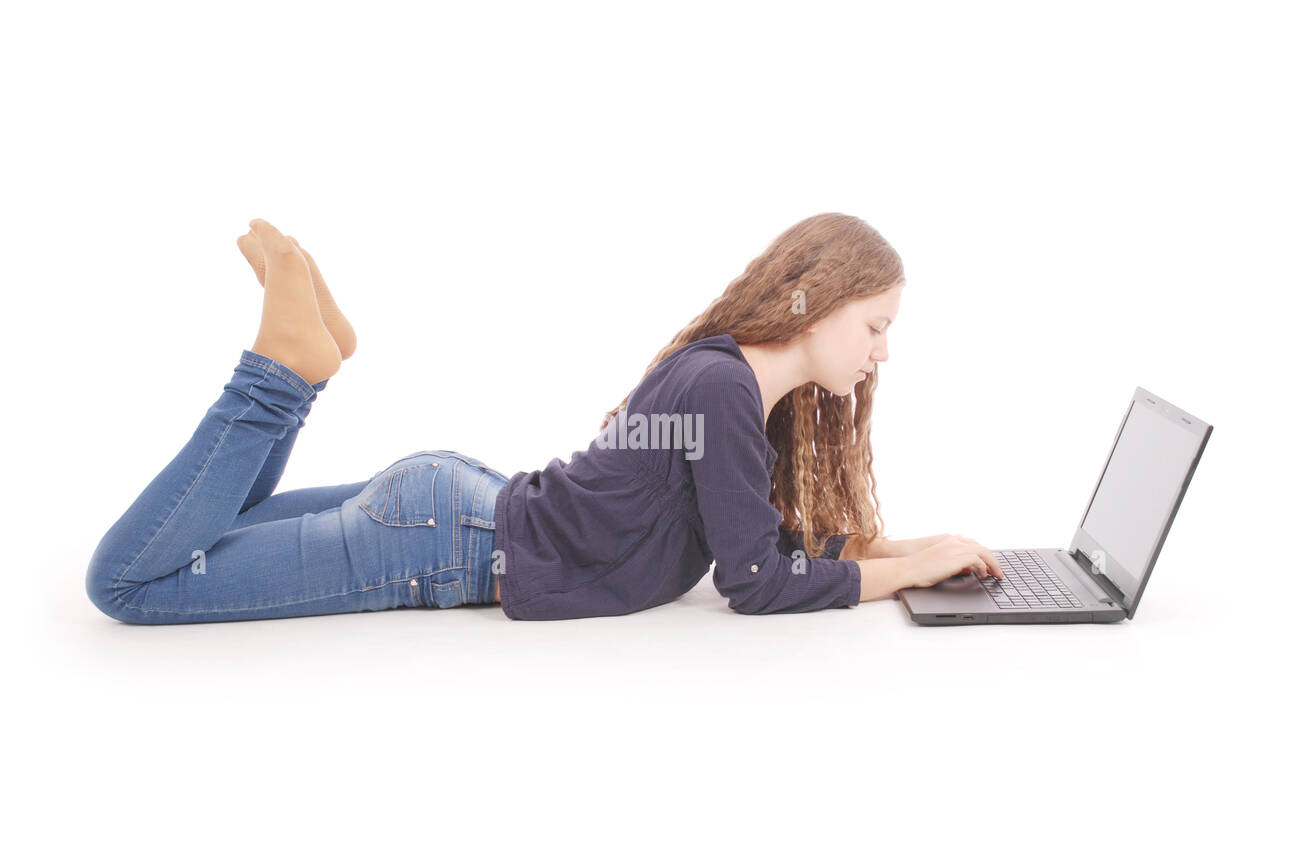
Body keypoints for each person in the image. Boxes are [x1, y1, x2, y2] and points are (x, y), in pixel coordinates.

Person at [85, 213, 1003, 625]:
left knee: (217, 536)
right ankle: (279, 375)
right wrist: (909, 573)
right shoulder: (725, 390)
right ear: (815, 306)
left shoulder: (727, 382)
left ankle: (298, 369)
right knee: (129, 585)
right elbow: (756, 579)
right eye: (876, 327)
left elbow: (754, 534)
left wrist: (893, 550)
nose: (882, 352)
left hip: (448, 507)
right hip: (440, 539)